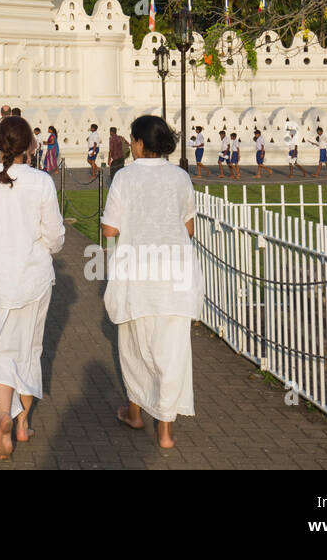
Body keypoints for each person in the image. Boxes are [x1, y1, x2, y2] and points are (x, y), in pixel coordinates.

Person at [0, 115, 64, 460]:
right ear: (30, 146)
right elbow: (55, 236)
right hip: (32, 278)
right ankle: (22, 423)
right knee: (28, 349)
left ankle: (4, 415)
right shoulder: (41, 182)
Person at [100, 114, 203, 450]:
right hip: (175, 274)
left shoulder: (125, 178)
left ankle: (135, 412)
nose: (130, 144)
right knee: (172, 352)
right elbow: (189, 226)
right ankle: (166, 432)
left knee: (134, 348)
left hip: (137, 275)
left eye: (133, 139)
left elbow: (110, 230)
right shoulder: (179, 177)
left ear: (142, 143)